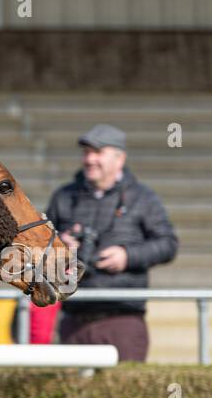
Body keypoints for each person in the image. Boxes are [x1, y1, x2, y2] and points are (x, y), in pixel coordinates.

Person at [47, 124, 178, 361]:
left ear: (120, 158)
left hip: (122, 321)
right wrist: (60, 247)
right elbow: (39, 246)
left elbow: (168, 244)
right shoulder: (64, 197)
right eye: (86, 152)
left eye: (98, 152)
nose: (90, 159)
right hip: (73, 319)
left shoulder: (142, 198)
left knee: (125, 396)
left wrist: (128, 256)